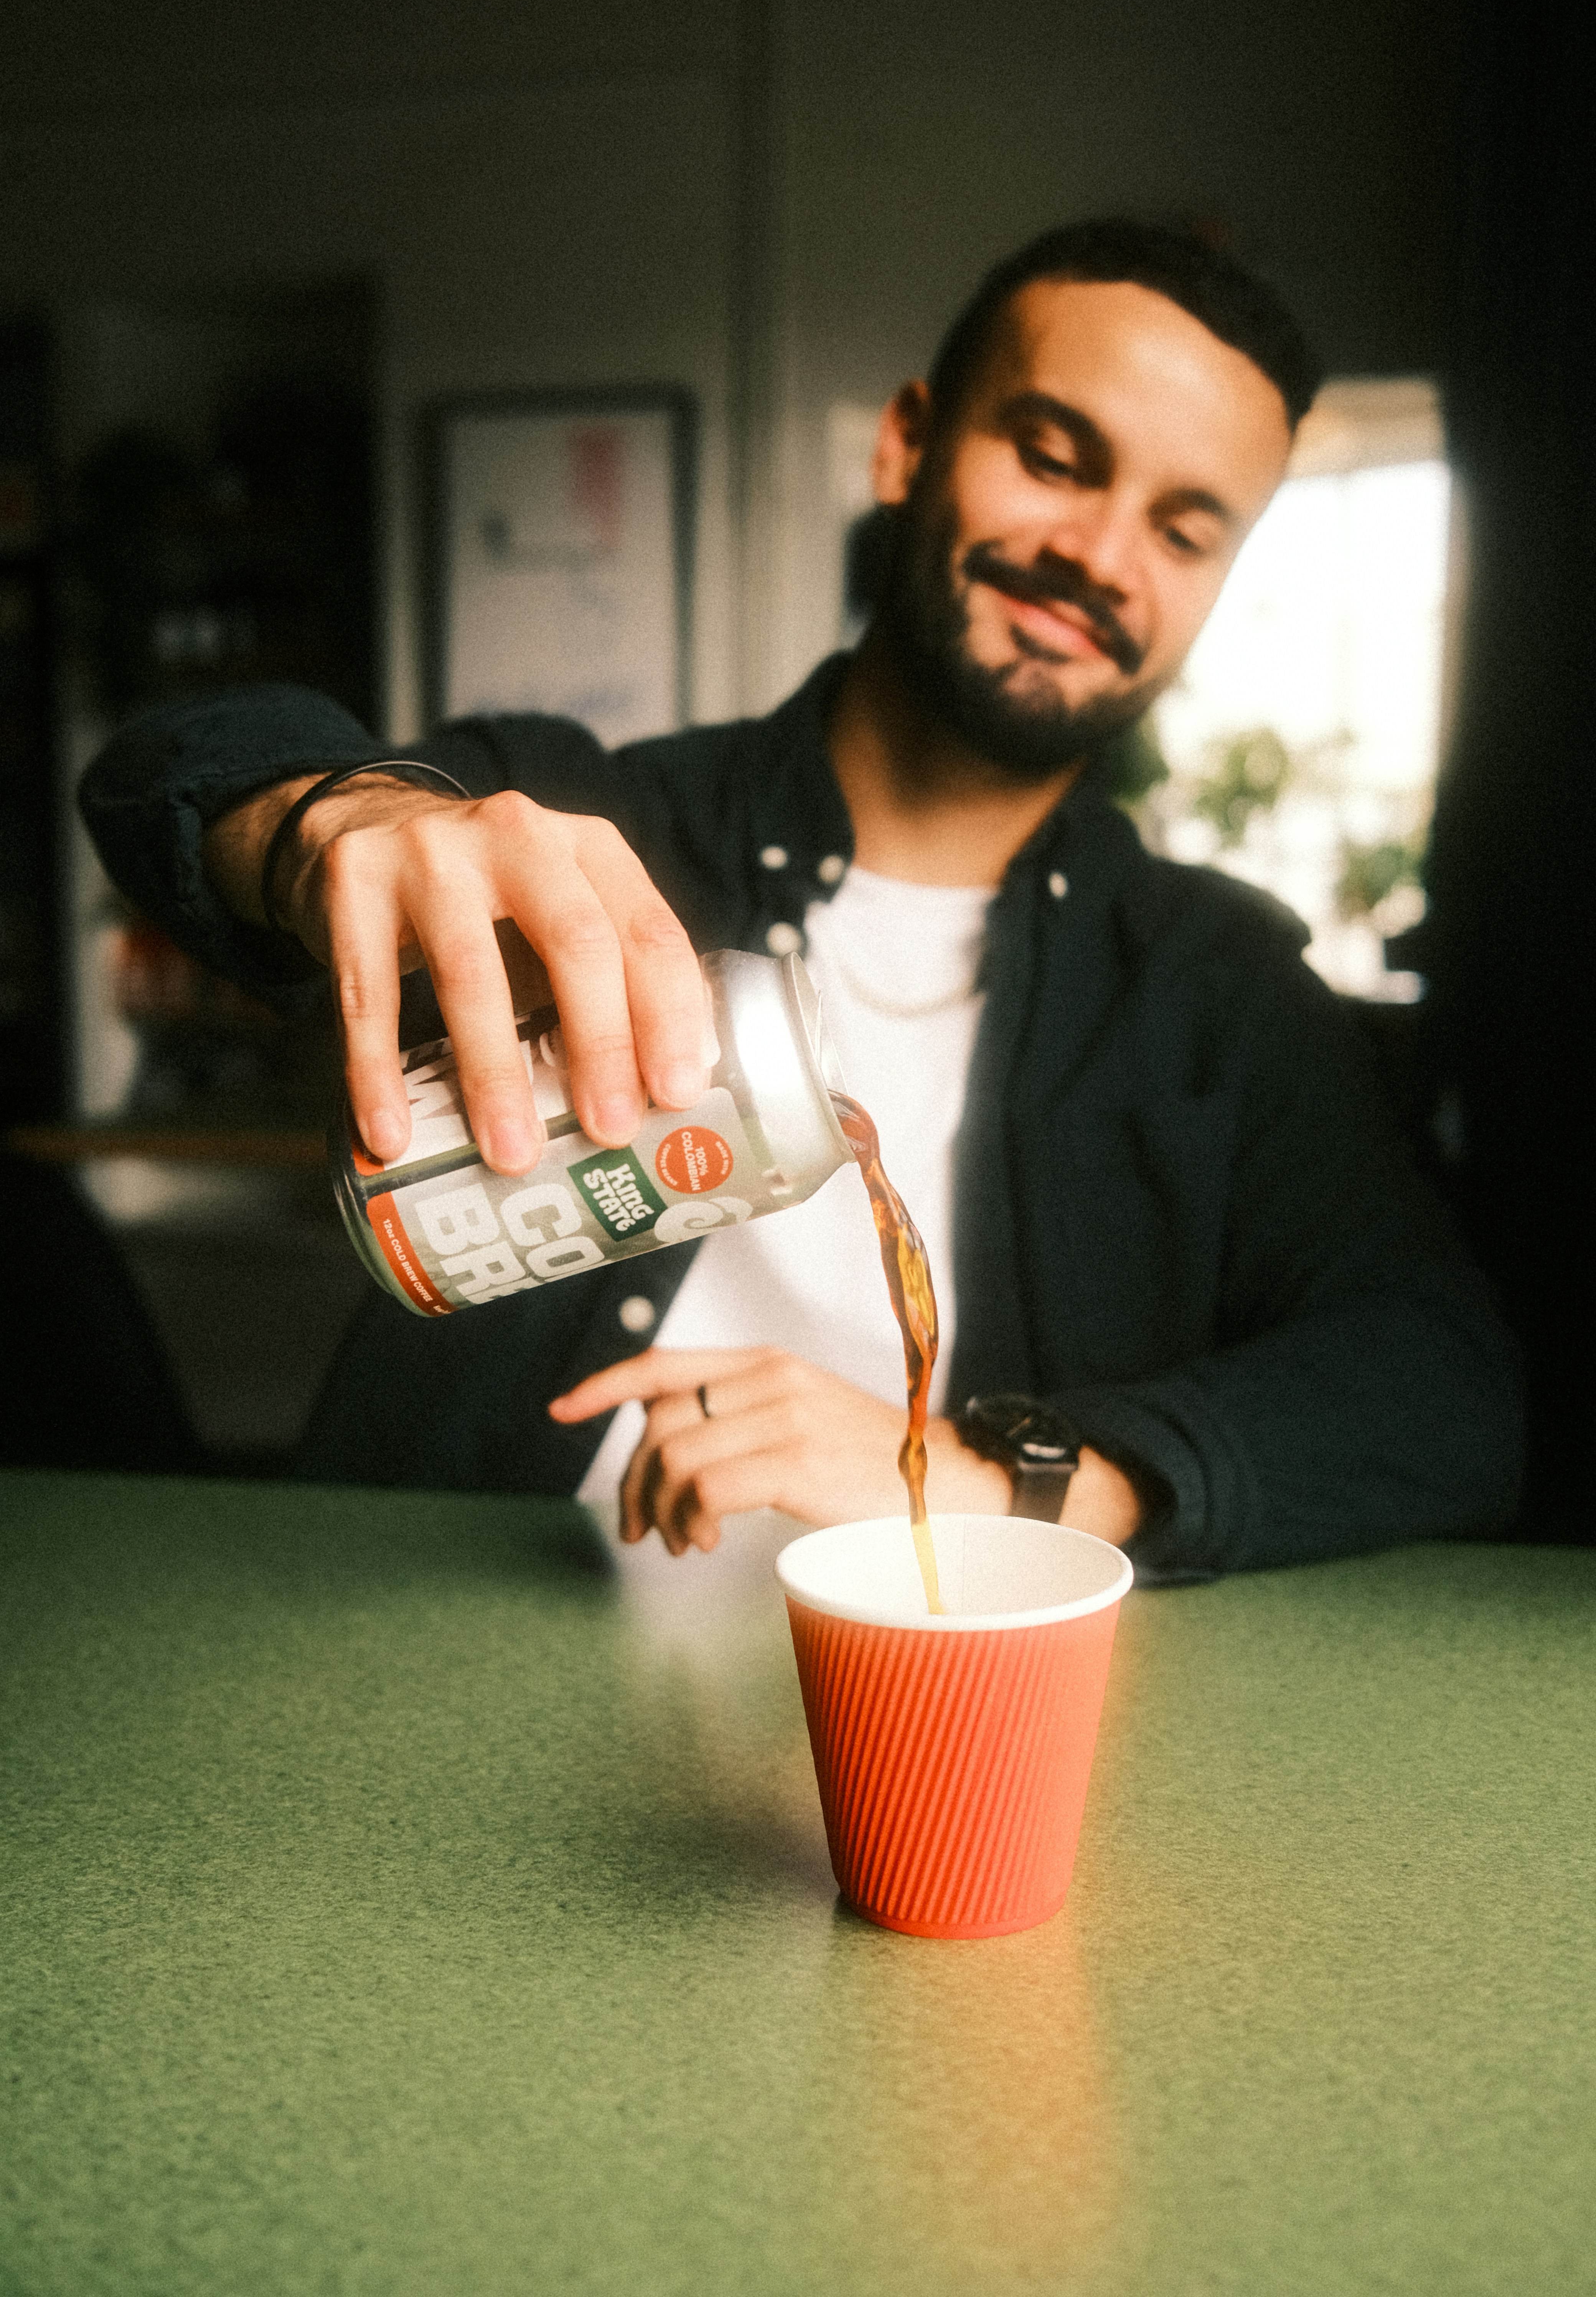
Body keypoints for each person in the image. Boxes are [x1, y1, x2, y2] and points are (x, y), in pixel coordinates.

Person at [81, 219, 1522, 1579]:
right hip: (433, 1646)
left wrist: (995, 1479)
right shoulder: (597, 818)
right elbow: (169, 777)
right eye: (1053, 455)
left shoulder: (1223, 993)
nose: (1101, 555)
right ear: (909, 444)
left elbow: (1443, 1388)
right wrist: (343, 823)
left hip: (924, 1699)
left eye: (1186, 530)